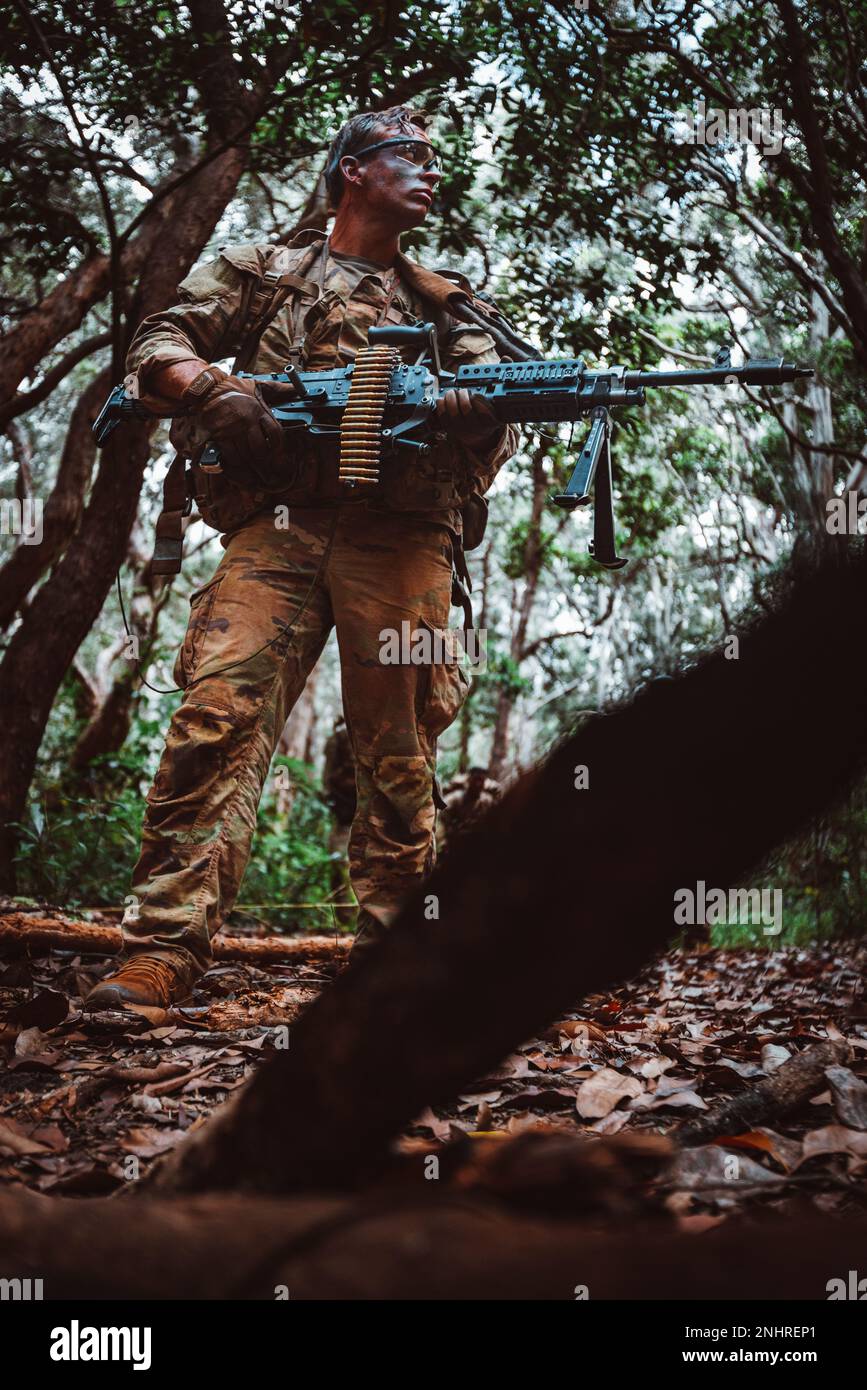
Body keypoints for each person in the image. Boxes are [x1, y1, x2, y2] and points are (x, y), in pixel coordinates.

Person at [86, 105, 519, 1011]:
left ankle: (395, 966)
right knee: (215, 714)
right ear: (352, 172)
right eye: (409, 155)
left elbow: (502, 407)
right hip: (275, 532)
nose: (429, 170)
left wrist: (462, 409)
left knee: (399, 754)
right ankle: (160, 950)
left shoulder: (447, 305)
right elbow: (158, 344)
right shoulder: (267, 274)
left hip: (400, 540)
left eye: (434, 158)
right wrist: (215, 391)